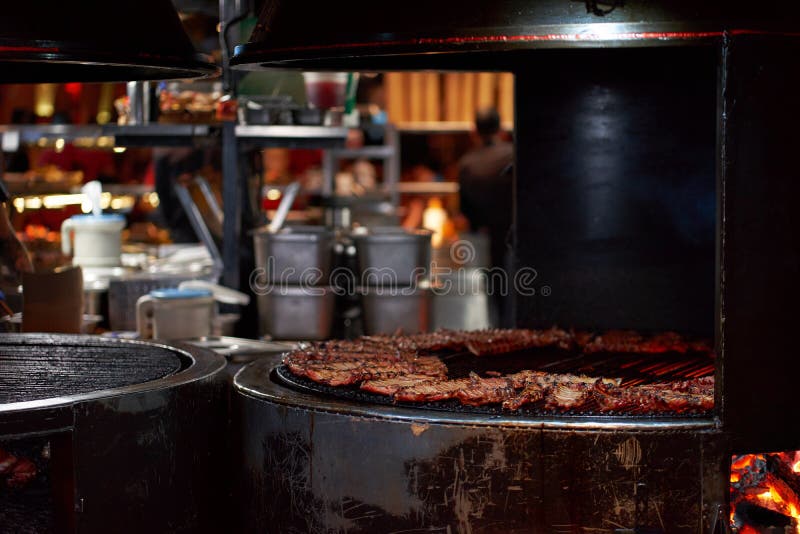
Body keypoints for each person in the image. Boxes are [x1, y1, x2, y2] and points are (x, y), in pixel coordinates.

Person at [457, 107, 514, 326]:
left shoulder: (468, 163)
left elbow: (466, 210)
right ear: (501, 129)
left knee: (490, 294)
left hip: (485, 238)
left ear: (474, 131)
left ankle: (494, 332)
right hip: (516, 234)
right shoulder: (512, 154)